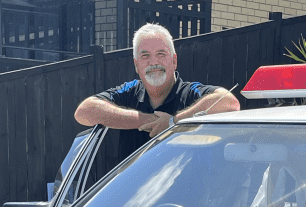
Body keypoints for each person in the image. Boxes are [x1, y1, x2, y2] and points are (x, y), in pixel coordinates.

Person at [73, 23, 239, 143]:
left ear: (174, 61)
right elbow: (84, 112)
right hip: (133, 191)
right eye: (145, 56)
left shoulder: (189, 93)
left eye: (161, 54)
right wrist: (148, 121)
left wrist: (173, 122)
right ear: (136, 65)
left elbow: (229, 102)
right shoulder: (129, 91)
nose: (153, 62)